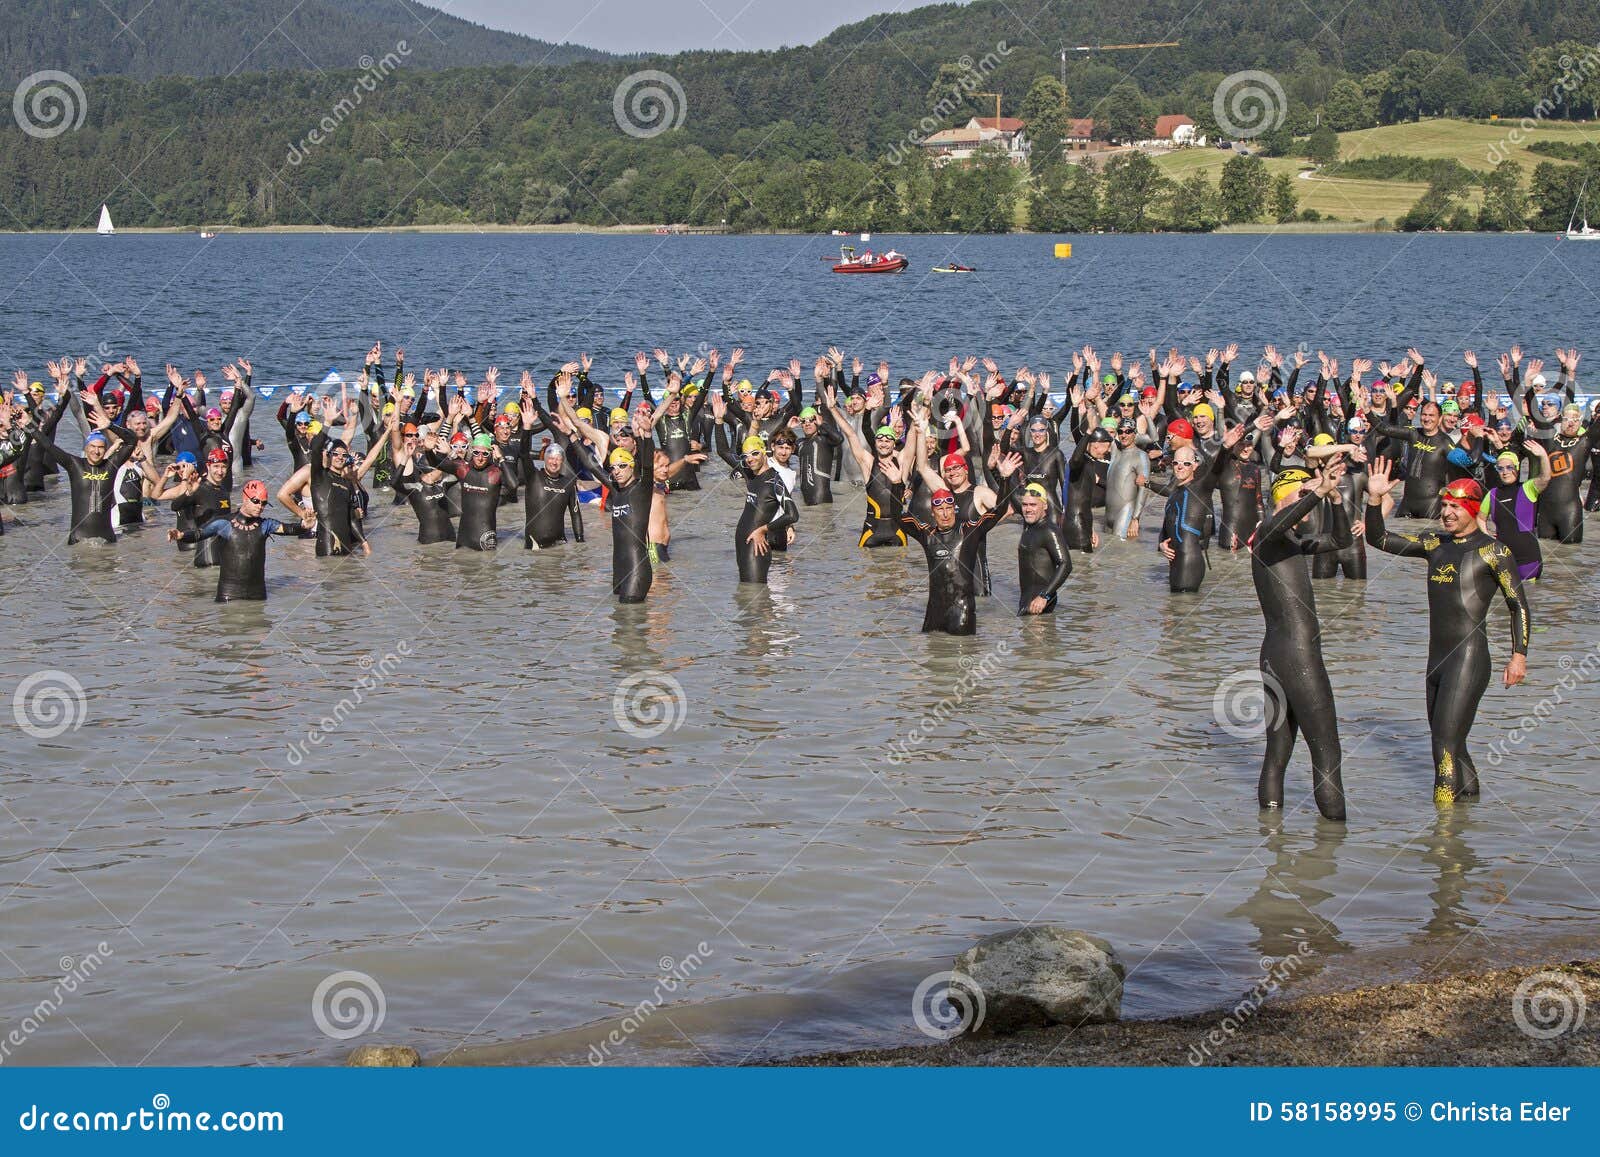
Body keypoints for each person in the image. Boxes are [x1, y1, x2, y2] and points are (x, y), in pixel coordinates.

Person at [1365, 461, 1530, 805]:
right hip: (1437, 661)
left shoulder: (1494, 552)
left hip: (1469, 660)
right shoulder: (1434, 544)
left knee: (1443, 744)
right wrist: (1374, 500)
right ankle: (1468, 812)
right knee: (1452, 743)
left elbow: (1518, 606)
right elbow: (1379, 538)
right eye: (1444, 506)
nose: (1447, 513)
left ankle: (1442, 826)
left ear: (1473, 509)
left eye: (1455, 506)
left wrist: (1518, 656)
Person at [1248, 463, 1353, 821]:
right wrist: (1318, 491)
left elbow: (1341, 541)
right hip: (1298, 656)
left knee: (1277, 754)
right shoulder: (1268, 529)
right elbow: (1279, 521)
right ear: (1284, 497)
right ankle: (1335, 839)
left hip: (1274, 656)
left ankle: (1270, 834)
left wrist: (1334, 500)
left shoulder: (1287, 542)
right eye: (1304, 493)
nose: (1311, 501)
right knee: (1327, 754)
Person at [897, 453, 1021, 635]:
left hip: (962, 611)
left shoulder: (970, 530)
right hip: (934, 614)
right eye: (940, 509)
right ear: (932, 513)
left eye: (949, 509)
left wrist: (1004, 479)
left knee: (964, 648)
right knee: (931, 651)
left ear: (954, 510)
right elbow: (897, 516)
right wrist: (896, 484)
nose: (945, 514)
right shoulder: (928, 535)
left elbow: (1000, 509)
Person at [168, 480, 313, 601]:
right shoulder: (224, 523)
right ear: (245, 499)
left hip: (258, 595)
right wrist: (180, 535)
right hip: (229, 594)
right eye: (256, 501)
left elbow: (288, 529)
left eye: (264, 503)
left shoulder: (265, 525)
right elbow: (199, 534)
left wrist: (304, 526)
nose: (260, 506)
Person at [1479, 442, 1550, 583]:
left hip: (1528, 561)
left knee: (1530, 594)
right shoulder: (1492, 494)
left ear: (1517, 468)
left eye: (1509, 467)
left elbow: (1545, 478)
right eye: (1500, 468)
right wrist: (1487, 535)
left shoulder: (1528, 488)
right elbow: (1480, 518)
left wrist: (1543, 456)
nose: (1505, 472)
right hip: (1502, 559)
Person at [1016, 482, 1072, 615]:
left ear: (1045, 505)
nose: (1028, 509)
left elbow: (1066, 564)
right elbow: (1009, 496)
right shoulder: (1030, 525)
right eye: (1025, 505)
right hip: (1029, 600)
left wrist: (1044, 596)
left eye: (1033, 505)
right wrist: (1004, 478)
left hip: (1039, 604)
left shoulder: (1049, 530)